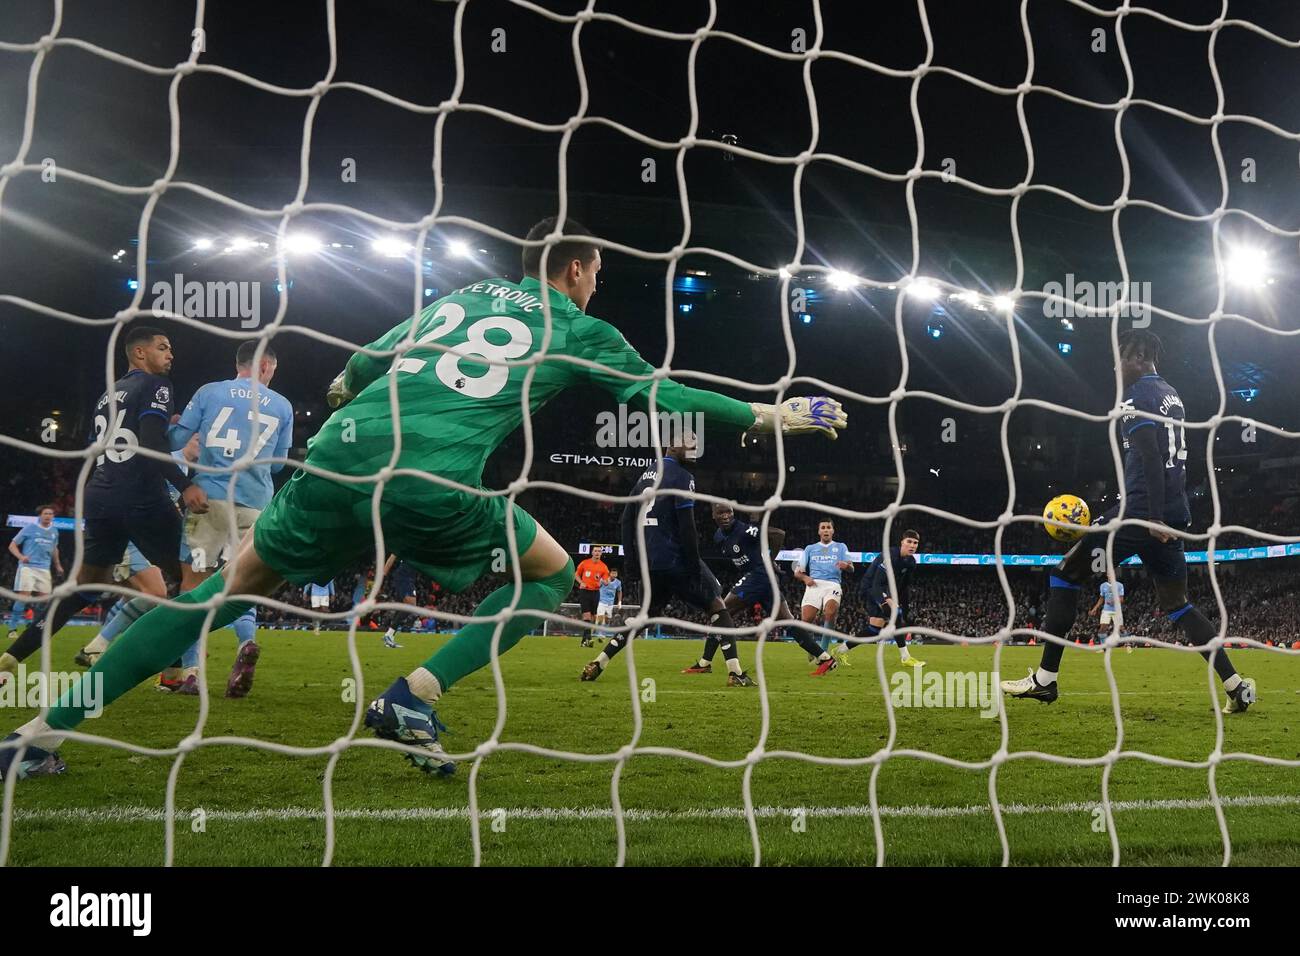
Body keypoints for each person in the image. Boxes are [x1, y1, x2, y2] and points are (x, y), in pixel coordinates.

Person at [1, 216, 845, 781]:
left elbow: (364, 364)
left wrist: (341, 385)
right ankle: (414, 696)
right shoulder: (581, 328)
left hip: (338, 459)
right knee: (551, 575)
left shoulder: (463, 297)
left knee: (219, 595)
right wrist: (772, 412)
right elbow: (659, 397)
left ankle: (37, 739)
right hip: (427, 480)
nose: (596, 287)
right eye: (596, 275)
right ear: (578, 270)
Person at [1002, 330, 1255, 713]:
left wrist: (1151, 517)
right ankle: (1236, 685)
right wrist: (1165, 517)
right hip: (1175, 513)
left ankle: (1045, 680)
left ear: (1138, 356)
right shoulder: (1172, 395)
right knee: (1177, 603)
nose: (1115, 367)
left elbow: (1152, 457)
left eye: (1120, 359)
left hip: (1140, 514)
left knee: (1063, 575)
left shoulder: (1136, 396)